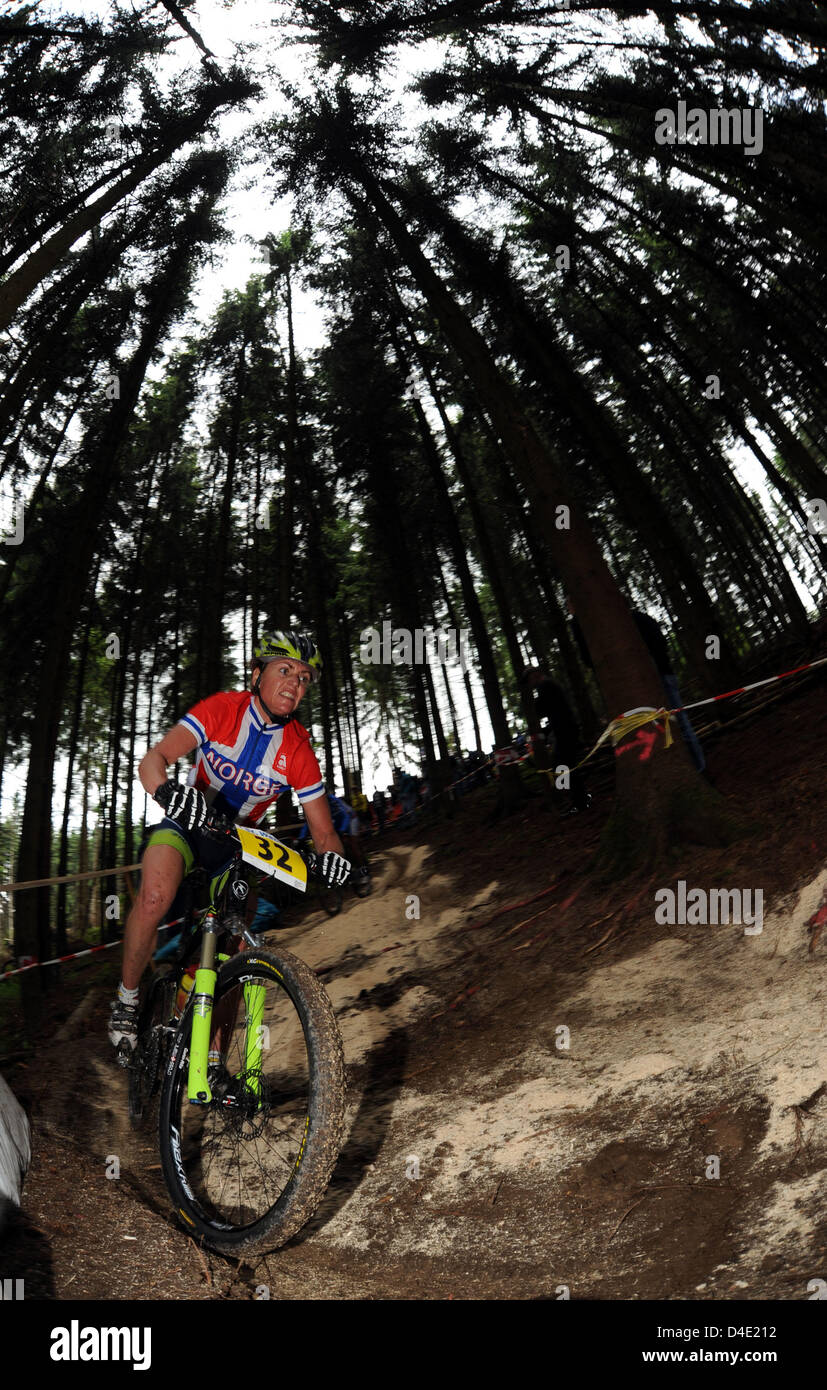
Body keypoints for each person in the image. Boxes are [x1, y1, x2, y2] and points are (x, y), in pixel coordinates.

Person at [108, 631, 352, 1059]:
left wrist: (334, 861)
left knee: (235, 946)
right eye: (284, 670)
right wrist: (167, 793)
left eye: (303, 677)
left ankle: (212, 1054)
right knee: (154, 897)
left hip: (238, 845)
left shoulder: (298, 749)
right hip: (186, 823)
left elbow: (325, 833)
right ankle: (127, 1001)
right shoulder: (222, 709)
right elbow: (154, 760)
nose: (295, 683)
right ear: (256, 675)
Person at [566, 598, 705, 772]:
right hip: (657, 678)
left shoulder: (635, 622)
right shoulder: (619, 627)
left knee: (678, 722)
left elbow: (660, 645)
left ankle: (699, 769)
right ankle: (691, 768)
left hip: (661, 677)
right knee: (667, 725)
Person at [520, 668, 592, 814]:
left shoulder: (545, 686)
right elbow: (554, 710)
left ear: (535, 676)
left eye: (530, 680)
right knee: (566, 765)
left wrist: (532, 704)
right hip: (564, 729)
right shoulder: (549, 685)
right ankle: (580, 798)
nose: (530, 684)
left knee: (563, 765)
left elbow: (541, 710)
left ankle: (579, 800)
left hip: (565, 730)